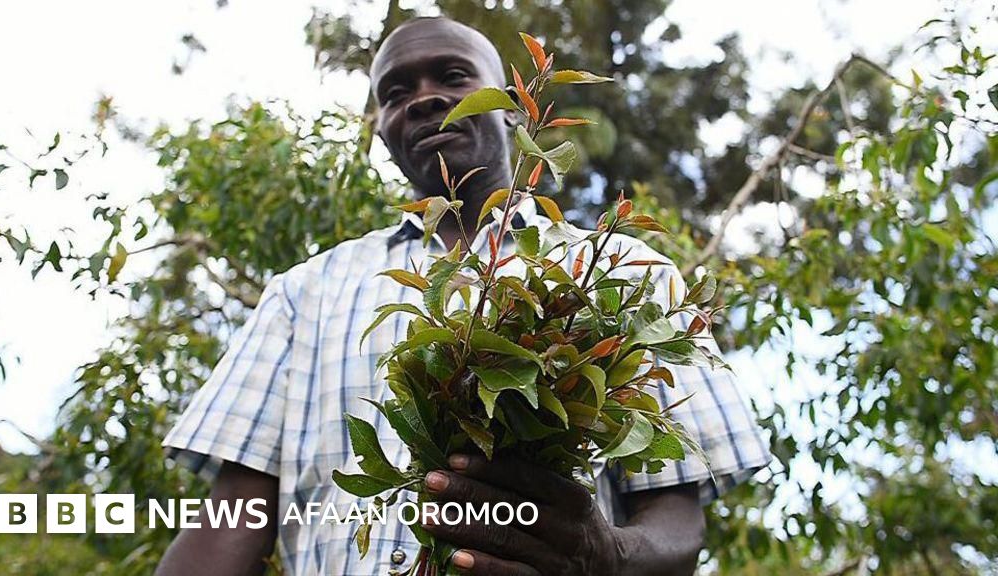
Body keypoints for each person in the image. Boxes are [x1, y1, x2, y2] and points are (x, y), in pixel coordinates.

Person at [155, 16, 770, 576]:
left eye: (452, 76)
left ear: (509, 107)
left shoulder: (625, 269)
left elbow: (677, 525)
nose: (423, 98)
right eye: (395, 93)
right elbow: (234, 518)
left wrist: (600, 555)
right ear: (384, 132)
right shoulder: (303, 292)